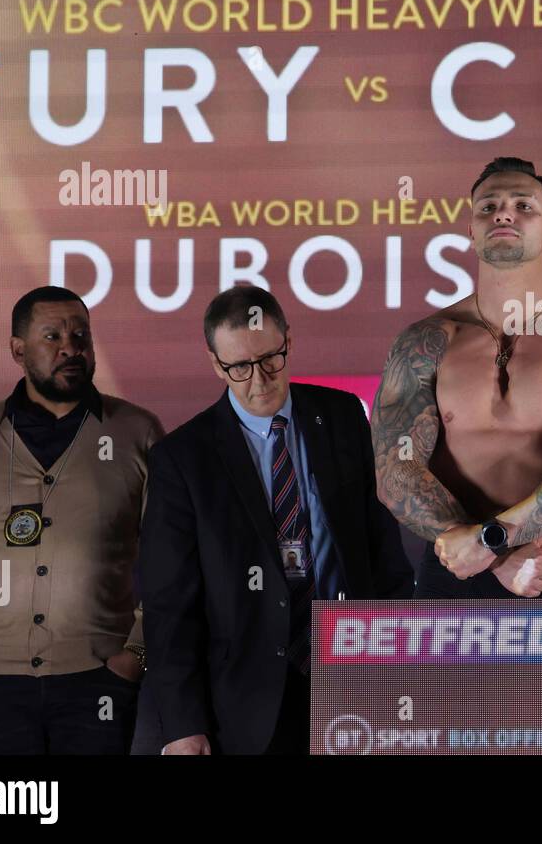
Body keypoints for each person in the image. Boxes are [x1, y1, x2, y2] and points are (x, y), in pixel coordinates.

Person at [371, 157, 542, 754]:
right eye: (489, 206)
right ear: (469, 228)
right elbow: (395, 473)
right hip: (451, 572)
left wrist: (493, 541)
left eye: (523, 205)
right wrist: (492, 557)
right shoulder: (424, 342)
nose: (504, 214)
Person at [139, 286, 414, 755]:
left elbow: (382, 551)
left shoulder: (344, 416)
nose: (260, 380)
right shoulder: (182, 458)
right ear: (214, 364)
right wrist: (183, 724)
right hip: (244, 699)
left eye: (271, 358)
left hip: (351, 679)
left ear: (289, 340)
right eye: (239, 368)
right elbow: (169, 608)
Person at [0, 285, 161, 753]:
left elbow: (172, 561)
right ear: (17, 349)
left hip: (99, 684)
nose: (71, 347)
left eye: (80, 334)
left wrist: (134, 657)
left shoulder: (137, 433)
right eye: (52, 336)